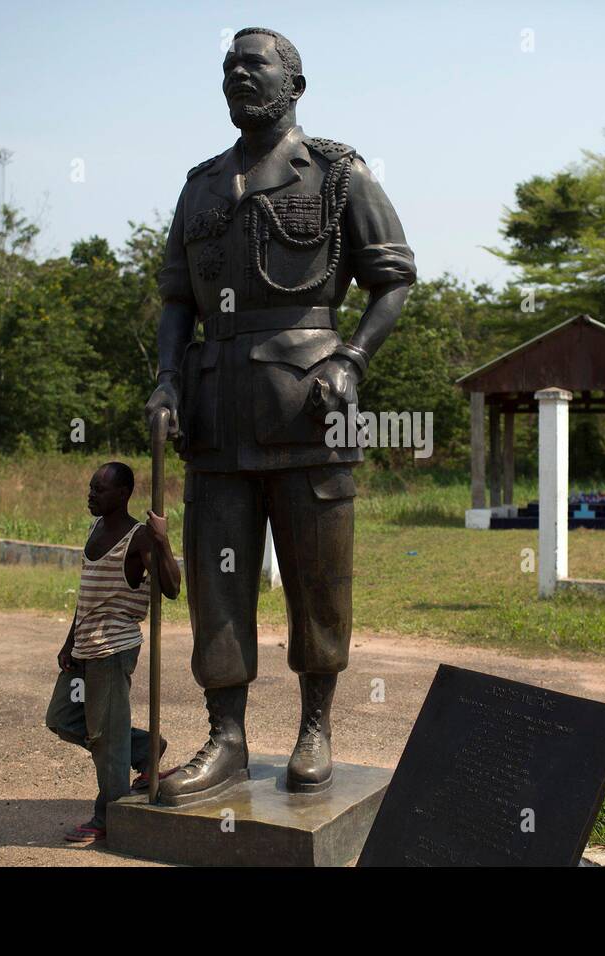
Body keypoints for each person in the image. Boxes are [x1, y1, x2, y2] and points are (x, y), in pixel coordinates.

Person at [144, 27, 415, 801]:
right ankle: (226, 738)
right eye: (228, 66)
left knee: (318, 579)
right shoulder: (200, 186)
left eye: (253, 65)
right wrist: (166, 380)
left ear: (294, 84)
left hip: (310, 408)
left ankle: (316, 726)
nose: (238, 75)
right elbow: (174, 299)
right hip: (216, 412)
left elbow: (392, 276)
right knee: (215, 583)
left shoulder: (336, 172)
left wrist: (352, 360)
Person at [45, 462, 181, 843]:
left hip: (113, 647)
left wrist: (163, 540)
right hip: (85, 646)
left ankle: (107, 815)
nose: (91, 494)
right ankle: (145, 747)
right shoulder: (96, 527)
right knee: (61, 716)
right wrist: (69, 641)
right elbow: (87, 592)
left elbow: (171, 588)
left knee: (104, 734)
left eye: (99, 490)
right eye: (90, 488)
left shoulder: (138, 537)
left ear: (123, 494)